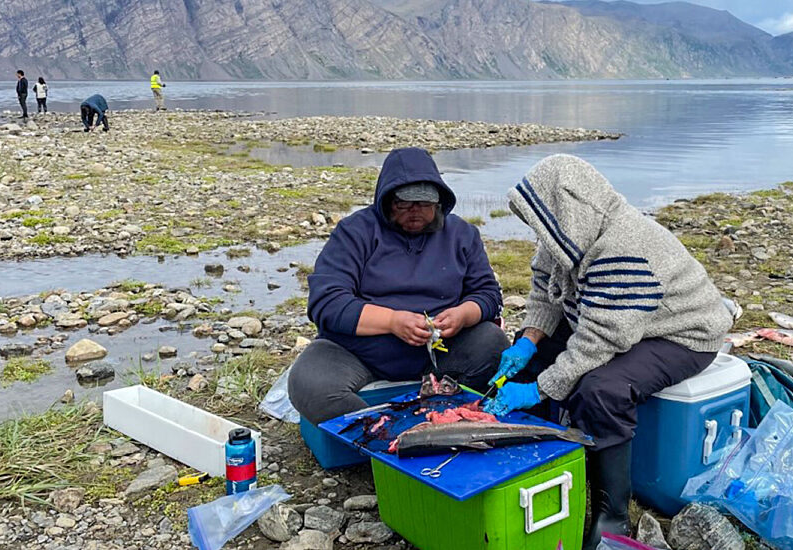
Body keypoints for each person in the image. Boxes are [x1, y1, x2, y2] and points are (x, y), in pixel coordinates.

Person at [483, 154, 733, 547]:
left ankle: (612, 511)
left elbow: (599, 341)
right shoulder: (562, 237)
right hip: (615, 320)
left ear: (567, 208)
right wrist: (529, 342)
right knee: (534, 362)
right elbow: (544, 291)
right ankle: (538, 461)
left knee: (601, 390)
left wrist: (540, 388)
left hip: (680, 333)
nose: (536, 228)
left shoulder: (625, 248)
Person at [289, 147, 508, 425]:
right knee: (308, 383)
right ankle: (379, 432)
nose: (415, 212)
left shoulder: (462, 235)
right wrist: (392, 321)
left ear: (439, 202)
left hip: (440, 354)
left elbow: (488, 294)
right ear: (387, 200)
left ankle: (442, 413)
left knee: (493, 343)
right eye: (404, 204)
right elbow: (326, 302)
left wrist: (464, 314)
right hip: (356, 353)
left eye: (424, 203)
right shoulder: (355, 232)